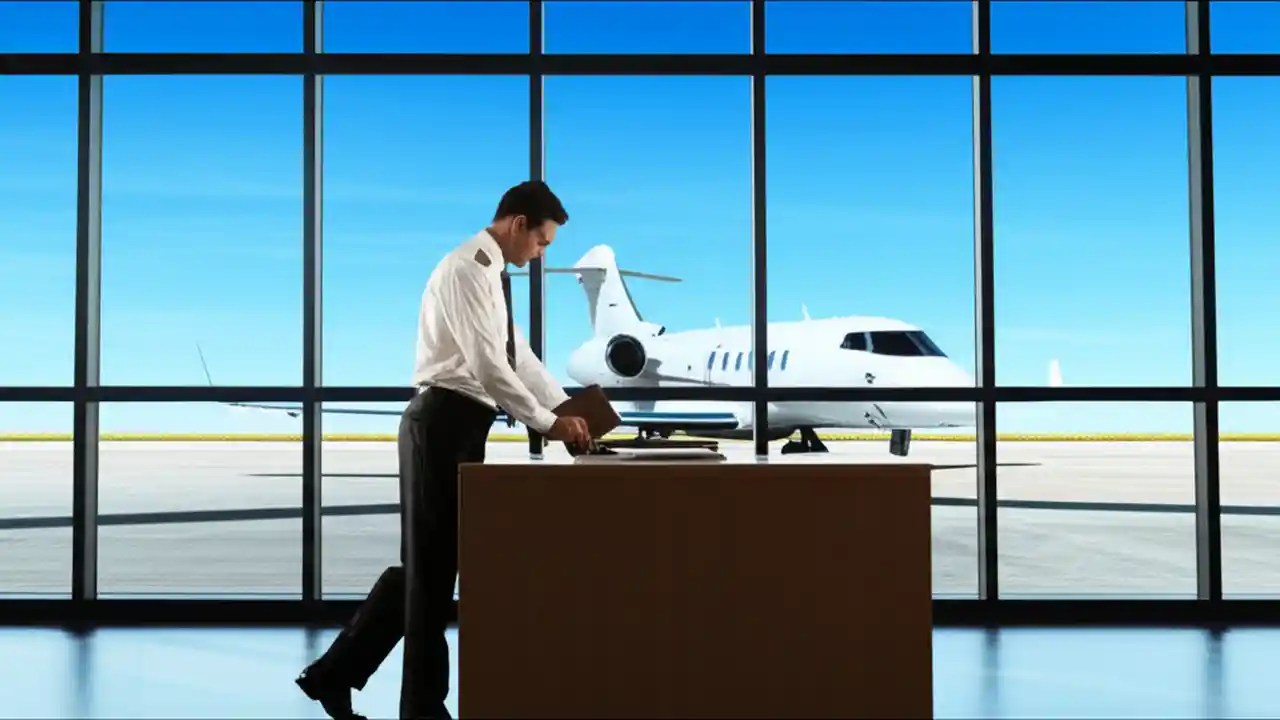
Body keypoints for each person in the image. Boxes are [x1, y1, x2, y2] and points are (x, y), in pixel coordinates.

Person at [294, 180, 592, 720]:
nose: (542, 254)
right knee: (432, 576)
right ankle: (422, 709)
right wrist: (549, 424)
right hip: (440, 423)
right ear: (518, 224)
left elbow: (518, 358)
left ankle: (331, 676)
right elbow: (486, 365)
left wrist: (571, 409)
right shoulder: (464, 269)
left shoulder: (490, 275)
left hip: (461, 425)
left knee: (428, 569)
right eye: (544, 243)